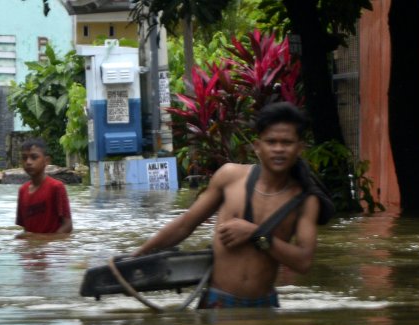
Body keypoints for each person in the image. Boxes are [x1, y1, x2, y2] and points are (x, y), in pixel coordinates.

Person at [132, 102, 333, 308]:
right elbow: (185, 224)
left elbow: (303, 262)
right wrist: (136, 258)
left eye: (287, 142)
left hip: (264, 307)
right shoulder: (230, 177)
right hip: (217, 303)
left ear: (299, 148)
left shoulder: (306, 200)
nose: (279, 149)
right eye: (271, 142)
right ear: (257, 147)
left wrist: (256, 234)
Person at [15, 138, 72, 236]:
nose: (28, 162)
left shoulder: (56, 187)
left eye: (34, 157)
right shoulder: (22, 191)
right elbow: (26, 229)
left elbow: (67, 226)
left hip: (51, 250)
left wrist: (44, 243)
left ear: (46, 161)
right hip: (31, 249)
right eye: (24, 158)